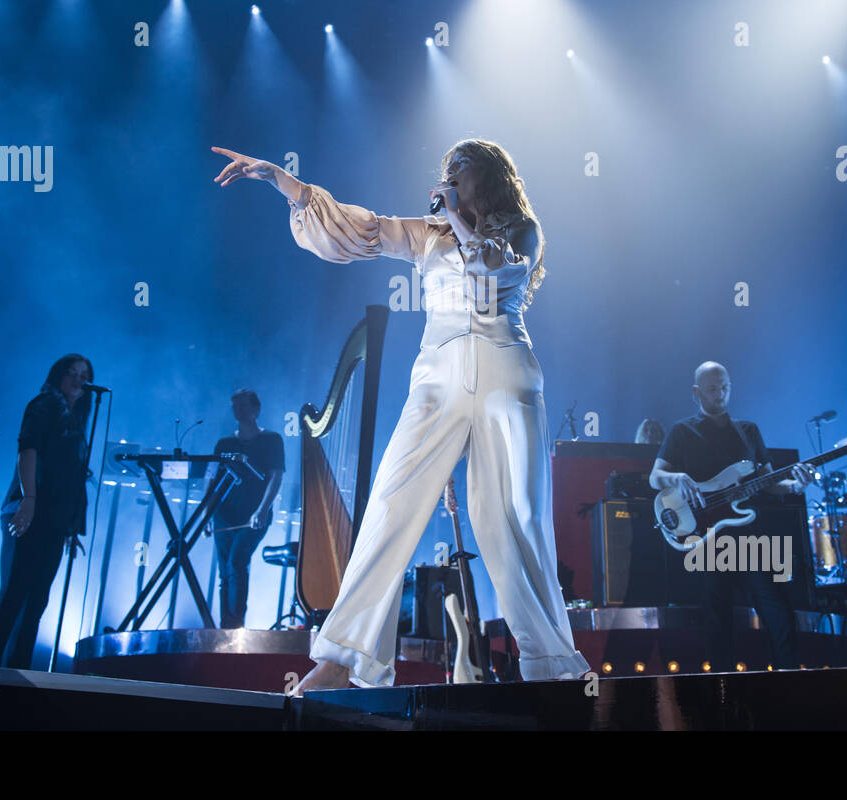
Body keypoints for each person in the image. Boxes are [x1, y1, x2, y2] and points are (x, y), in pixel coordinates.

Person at [212, 139, 590, 691]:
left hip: (504, 371)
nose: (447, 177)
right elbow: (357, 229)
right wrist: (281, 181)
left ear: (487, 176)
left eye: (459, 169)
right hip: (436, 377)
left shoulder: (521, 231)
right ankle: (345, 658)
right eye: (445, 171)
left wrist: (460, 221)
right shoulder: (425, 233)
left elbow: (491, 279)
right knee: (390, 503)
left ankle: (553, 669)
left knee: (514, 518)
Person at [648, 361, 812, 672]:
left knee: (778, 611)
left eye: (724, 387)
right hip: (708, 538)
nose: (720, 394)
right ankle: (723, 692)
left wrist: (796, 485)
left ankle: (791, 683)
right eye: (712, 389)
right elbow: (655, 478)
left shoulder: (748, 430)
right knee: (717, 617)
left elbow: (771, 482)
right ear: (696, 393)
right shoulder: (682, 431)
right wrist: (678, 476)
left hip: (749, 536)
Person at [0, 355, 94, 669]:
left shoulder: (79, 420)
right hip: (28, 508)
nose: (79, 379)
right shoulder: (42, 405)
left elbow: (74, 474)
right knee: (14, 593)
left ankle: (16, 673)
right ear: (59, 375)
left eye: (85, 375)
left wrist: (70, 526)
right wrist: (28, 500)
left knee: (38, 599)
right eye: (72, 373)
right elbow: (28, 450)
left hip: (54, 519)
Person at [204, 388, 284, 629]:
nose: (239, 410)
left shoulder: (271, 440)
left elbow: (276, 476)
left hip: (253, 514)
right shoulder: (224, 443)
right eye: (235, 406)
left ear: (256, 409)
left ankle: (235, 625)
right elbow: (210, 478)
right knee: (224, 570)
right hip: (224, 513)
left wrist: (262, 510)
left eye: (244, 405)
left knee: (237, 563)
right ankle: (224, 626)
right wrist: (207, 513)